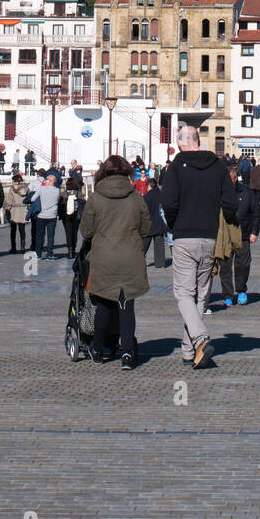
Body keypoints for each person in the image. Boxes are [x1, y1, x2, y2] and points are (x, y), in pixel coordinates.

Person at [161, 124, 237, 369]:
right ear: (198, 140)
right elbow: (231, 201)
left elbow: (169, 202)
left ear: (181, 143)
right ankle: (190, 351)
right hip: (209, 236)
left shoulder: (175, 167)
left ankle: (200, 338)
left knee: (184, 293)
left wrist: (175, 225)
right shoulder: (218, 166)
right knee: (201, 294)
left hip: (184, 236)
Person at [79, 155, 151, 370]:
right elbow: (147, 227)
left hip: (104, 257)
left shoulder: (96, 198)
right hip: (130, 257)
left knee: (103, 304)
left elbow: (86, 231)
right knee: (126, 305)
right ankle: (127, 352)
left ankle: (98, 349)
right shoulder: (136, 197)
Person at [219, 162, 260, 306]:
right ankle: (227, 295)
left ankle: (241, 289)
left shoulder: (246, 192)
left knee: (243, 264)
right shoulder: (219, 192)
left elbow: (256, 212)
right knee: (225, 266)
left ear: (235, 178)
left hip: (243, 233)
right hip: (224, 234)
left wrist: (254, 231)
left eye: (229, 178)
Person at [27, 175, 61, 260]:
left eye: (46, 180)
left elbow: (32, 199)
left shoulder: (41, 189)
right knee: (50, 236)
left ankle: (38, 254)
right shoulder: (57, 191)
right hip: (52, 215)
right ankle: (49, 254)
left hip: (41, 215)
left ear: (50, 181)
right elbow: (57, 200)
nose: (45, 181)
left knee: (39, 235)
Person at [142, 178, 168, 267]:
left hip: (149, 223)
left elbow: (145, 211)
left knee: (144, 244)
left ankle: (139, 260)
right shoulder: (162, 195)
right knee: (159, 244)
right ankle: (161, 263)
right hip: (160, 222)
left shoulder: (147, 196)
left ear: (149, 186)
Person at [4, 171, 29, 253]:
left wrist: (7, 208)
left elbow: (9, 200)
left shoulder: (12, 189)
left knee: (13, 230)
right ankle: (22, 247)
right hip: (23, 209)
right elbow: (29, 198)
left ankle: (13, 247)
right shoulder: (26, 188)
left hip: (14, 210)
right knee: (22, 229)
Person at [60, 175, 83, 259]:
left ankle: (69, 250)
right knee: (75, 232)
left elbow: (60, 205)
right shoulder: (79, 193)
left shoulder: (64, 194)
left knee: (68, 232)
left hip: (66, 216)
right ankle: (73, 249)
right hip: (76, 216)